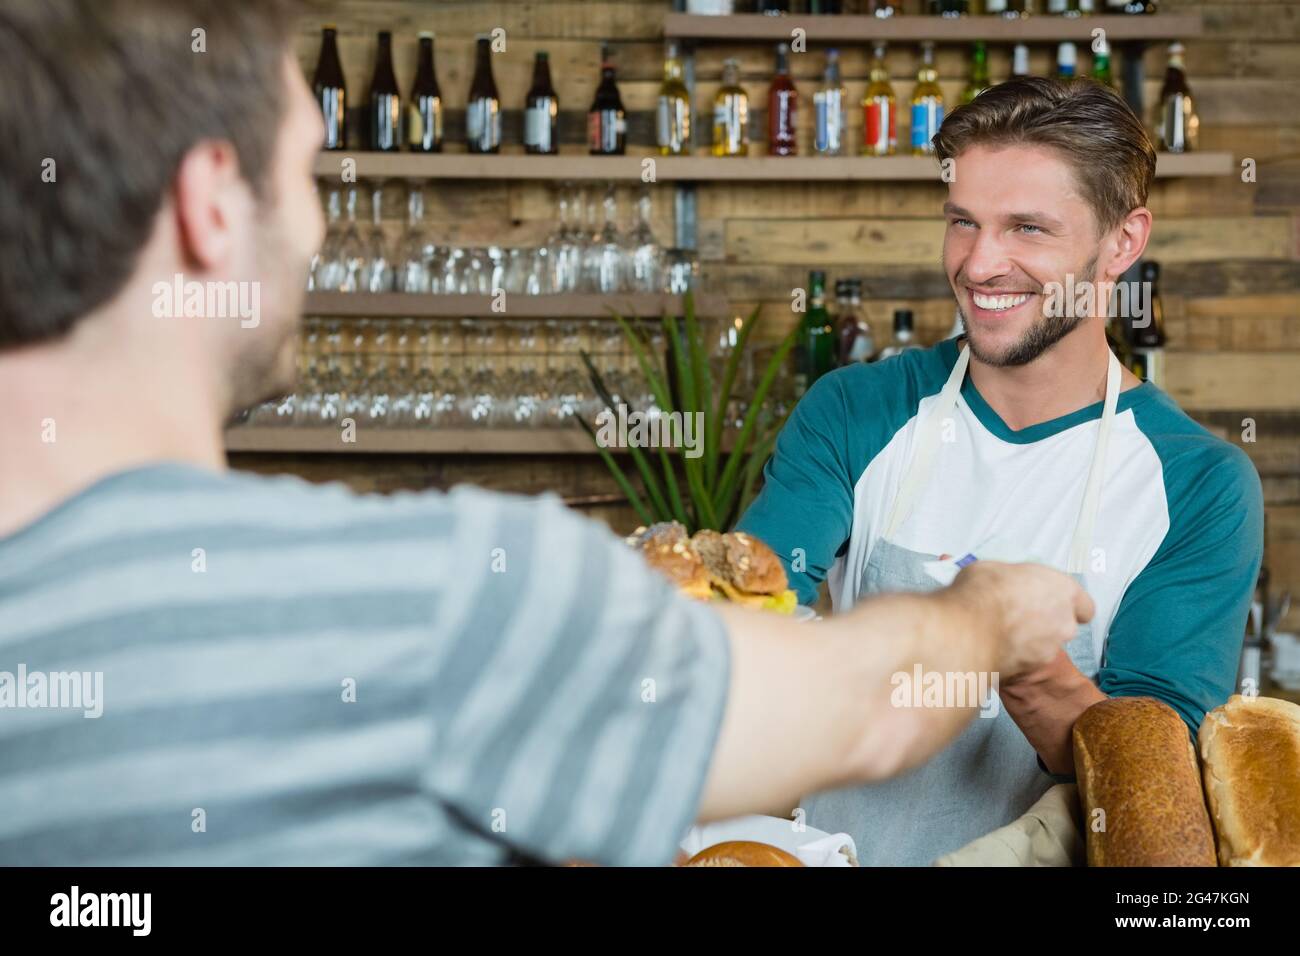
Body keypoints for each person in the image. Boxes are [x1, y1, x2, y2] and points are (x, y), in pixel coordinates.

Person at [0, 0, 1090, 865]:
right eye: (307, 176)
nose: (321, 226)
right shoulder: (440, 600)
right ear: (211, 205)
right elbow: (858, 710)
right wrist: (988, 612)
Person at [738, 77, 1264, 865]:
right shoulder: (858, 410)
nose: (980, 265)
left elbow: (1149, 793)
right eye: (963, 222)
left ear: (1122, 242)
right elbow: (755, 610)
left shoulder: (1198, 484)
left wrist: (1013, 654)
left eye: (1027, 228)